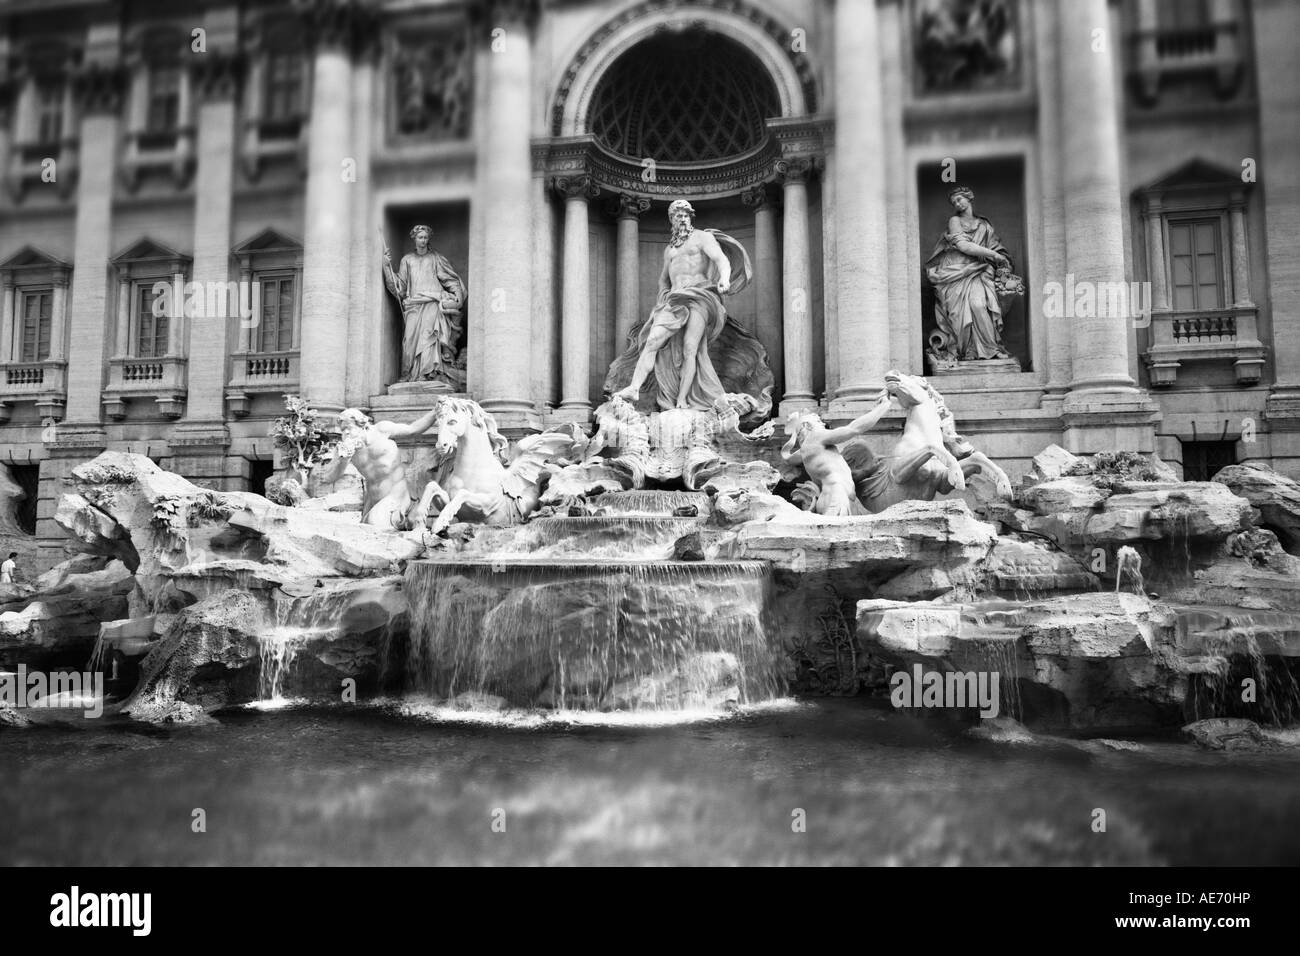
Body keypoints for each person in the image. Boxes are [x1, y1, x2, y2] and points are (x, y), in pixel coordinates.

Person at [613, 199, 752, 411]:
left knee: (690, 349)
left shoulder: (702, 238)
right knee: (652, 341)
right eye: (678, 215)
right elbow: (663, 280)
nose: (683, 219)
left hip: (700, 295)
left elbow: (721, 259)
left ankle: (682, 399)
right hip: (675, 300)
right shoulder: (669, 250)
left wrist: (724, 278)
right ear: (672, 220)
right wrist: (662, 299)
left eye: (686, 215)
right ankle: (634, 387)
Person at [924, 185, 1014, 361]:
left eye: (959, 199)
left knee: (979, 305)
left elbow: (997, 247)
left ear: (969, 198)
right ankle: (967, 351)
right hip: (956, 273)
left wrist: (1002, 260)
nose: (957, 204)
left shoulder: (985, 226)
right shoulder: (954, 221)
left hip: (979, 272)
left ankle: (991, 349)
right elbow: (964, 246)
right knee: (959, 315)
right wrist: (994, 255)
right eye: (954, 202)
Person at [315, 407, 441, 529]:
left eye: (349, 428)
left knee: (374, 523)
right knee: (363, 531)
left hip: (396, 495)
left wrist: (435, 412)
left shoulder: (381, 430)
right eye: (343, 430)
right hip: (372, 500)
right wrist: (343, 460)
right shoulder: (345, 449)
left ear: (362, 425)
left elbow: (413, 429)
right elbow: (329, 478)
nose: (346, 433)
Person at [781, 390, 895, 516]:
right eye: (818, 421)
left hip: (831, 495)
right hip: (837, 494)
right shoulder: (816, 436)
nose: (823, 423)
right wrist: (884, 406)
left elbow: (788, 459)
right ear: (807, 425)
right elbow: (853, 429)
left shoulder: (805, 450)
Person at [382, 224, 467, 386]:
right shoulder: (407, 260)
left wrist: (457, 296)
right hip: (413, 305)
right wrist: (386, 266)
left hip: (432, 303)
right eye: (420, 237)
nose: (423, 240)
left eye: (426, 238)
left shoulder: (436, 258)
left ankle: (427, 374)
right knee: (409, 342)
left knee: (428, 338)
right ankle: (409, 374)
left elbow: (450, 280)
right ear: (414, 239)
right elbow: (400, 286)